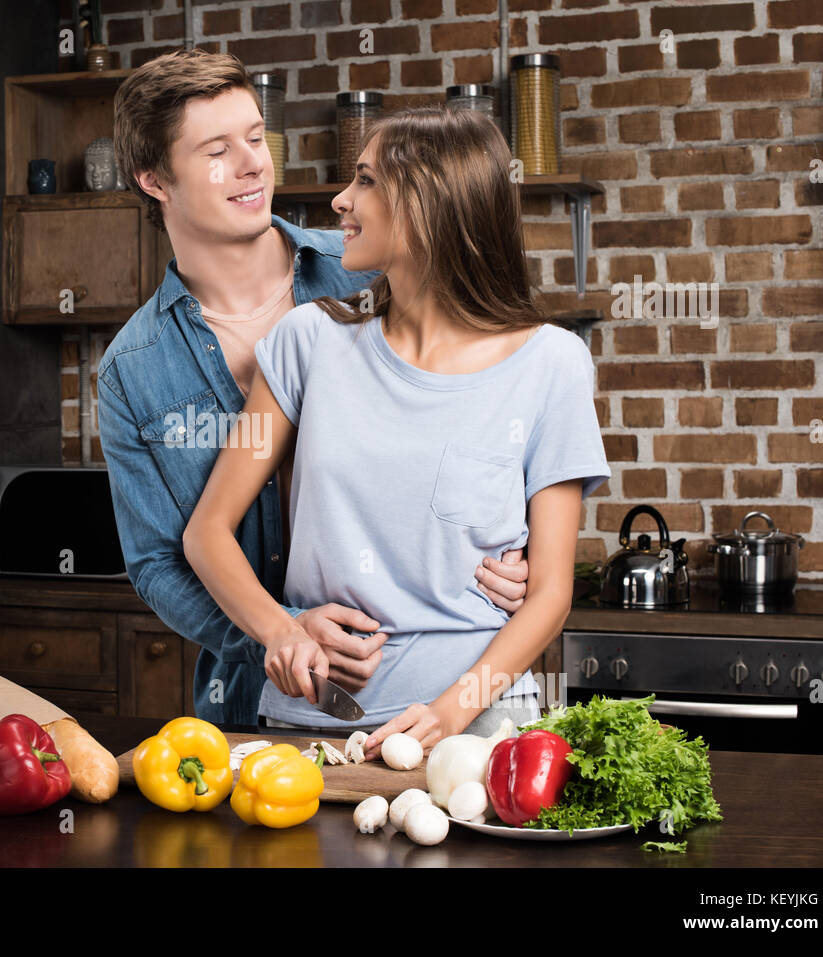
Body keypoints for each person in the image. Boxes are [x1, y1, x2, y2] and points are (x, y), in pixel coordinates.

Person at [97, 49, 532, 728]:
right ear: (153, 179)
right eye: (218, 149)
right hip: (259, 703)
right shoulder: (133, 369)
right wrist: (280, 631)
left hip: (434, 673)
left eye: (254, 135)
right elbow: (156, 562)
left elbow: (497, 403)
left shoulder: (372, 268)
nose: (253, 163)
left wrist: (524, 544)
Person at [182, 106, 610, 757]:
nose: (341, 200)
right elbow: (206, 531)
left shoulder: (551, 364)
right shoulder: (309, 342)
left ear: (428, 203)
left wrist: (448, 713)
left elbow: (550, 592)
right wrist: (282, 631)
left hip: (482, 730)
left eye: (367, 181)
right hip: (311, 724)